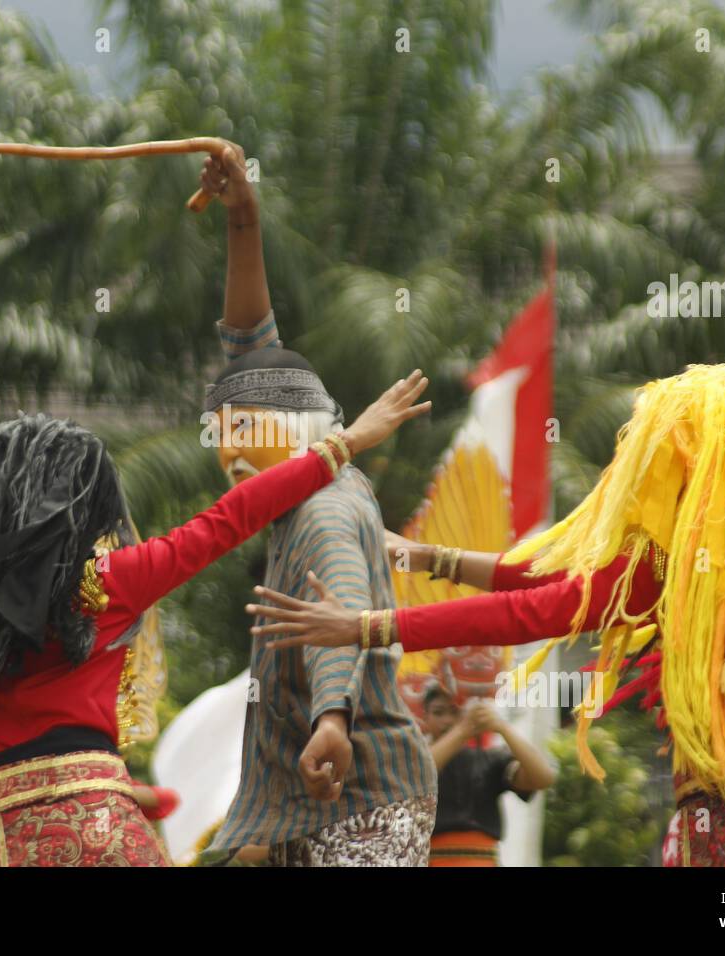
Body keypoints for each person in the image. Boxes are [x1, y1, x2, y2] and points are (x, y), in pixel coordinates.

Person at [0, 367, 431, 866]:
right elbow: (231, 518)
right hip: (109, 829)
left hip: (4, 839)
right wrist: (342, 444)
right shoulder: (112, 583)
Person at [249, 362, 725, 866]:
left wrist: (372, 625)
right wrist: (419, 567)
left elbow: (535, 606)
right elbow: (543, 586)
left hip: (712, 819)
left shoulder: (671, 572)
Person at [198, 144, 439, 866]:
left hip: (360, 792)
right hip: (314, 798)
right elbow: (249, 346)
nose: (232, 454)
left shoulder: (321, 508)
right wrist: (243, 218)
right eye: (223, 434)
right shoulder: (300, 471)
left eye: (244, 433)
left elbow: (334, 609)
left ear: (306, 433)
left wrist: (332, 717)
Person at [423, 687, 554, 866]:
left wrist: (502, 727)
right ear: (425, 718)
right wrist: (462, 730)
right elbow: (420, 774)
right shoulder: (412, 760)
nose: (447, 720)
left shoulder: (490, 758)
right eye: (438, 712)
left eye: (455, 712)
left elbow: (544, 778)